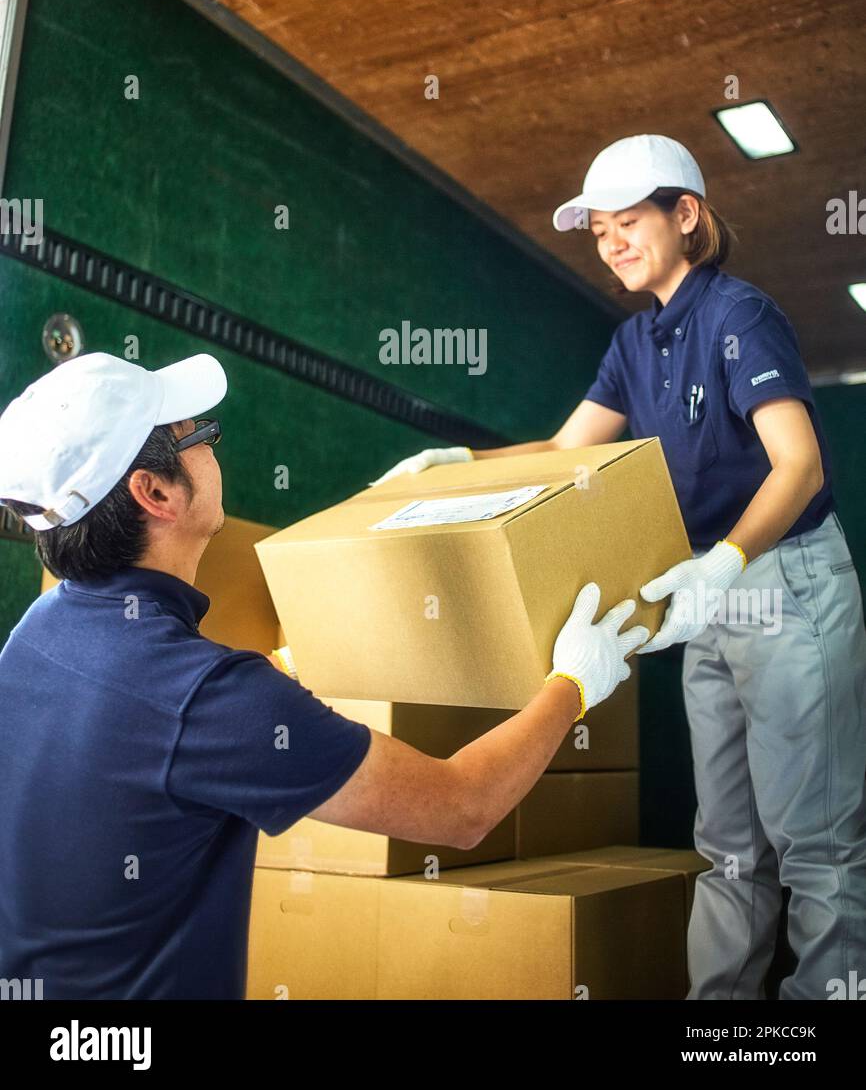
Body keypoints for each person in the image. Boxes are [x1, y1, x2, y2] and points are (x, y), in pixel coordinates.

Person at [375, 133, 866, 1001]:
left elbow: (801, 465)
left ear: (688, 216)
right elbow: (568, 452)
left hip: (783, 580)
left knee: (816, 842)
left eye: (628, 222)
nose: (611, 244)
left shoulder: (740, 314)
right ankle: (721, 1024)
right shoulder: (634, 343)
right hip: (705, 596)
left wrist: (724, 563)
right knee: (727, 842)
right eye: (599, 231)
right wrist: (465, 464)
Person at [0, 350, 646, 1000]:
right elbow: (461, 808)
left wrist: (279, 675)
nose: (212, 445)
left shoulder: (35, 634)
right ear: (157, 493)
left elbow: (135, 739)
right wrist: (574, 683)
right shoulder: (212, 698)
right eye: (200, 435)